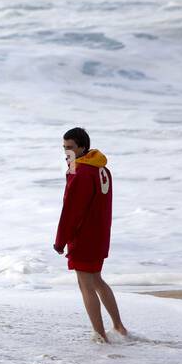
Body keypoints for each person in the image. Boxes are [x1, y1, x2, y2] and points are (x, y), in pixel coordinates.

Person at [55, 127, 127, 341]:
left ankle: (101, 336)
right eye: (63, 148)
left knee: (86, 285)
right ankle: (119, 328)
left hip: (84, 237)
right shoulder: (102, 168)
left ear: (82, 147)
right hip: (100, 234)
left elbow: (71, 211)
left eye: (70, 148)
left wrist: (60, 241)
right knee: (97, 281)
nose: (66, 152)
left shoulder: (80, 172)